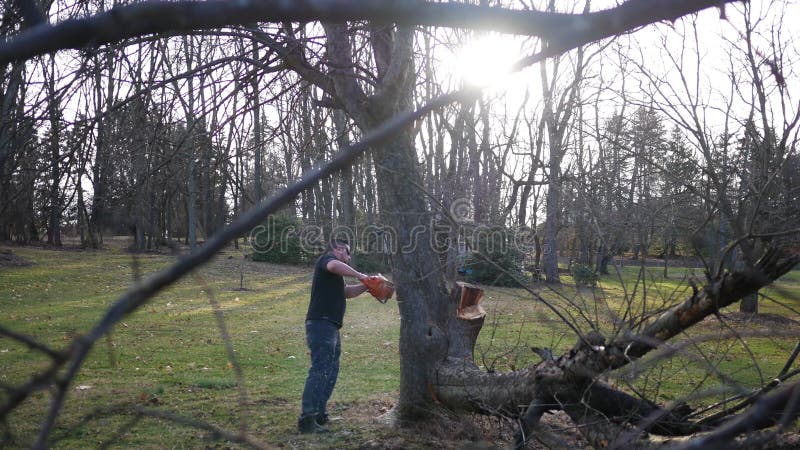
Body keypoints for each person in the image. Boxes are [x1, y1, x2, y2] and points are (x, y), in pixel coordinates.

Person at [298, 239, 369, 434]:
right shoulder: (327, 260)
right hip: (321, 324)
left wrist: (367, 286)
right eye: (347, 253)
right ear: (337, 250)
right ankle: (307, 420)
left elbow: (346, 292)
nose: (349, 257)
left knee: (331, 370)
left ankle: (319, 414)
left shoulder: (335, 274)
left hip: (330, 326)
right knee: (320, 369)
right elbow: (333, 265)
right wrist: (361, 275)